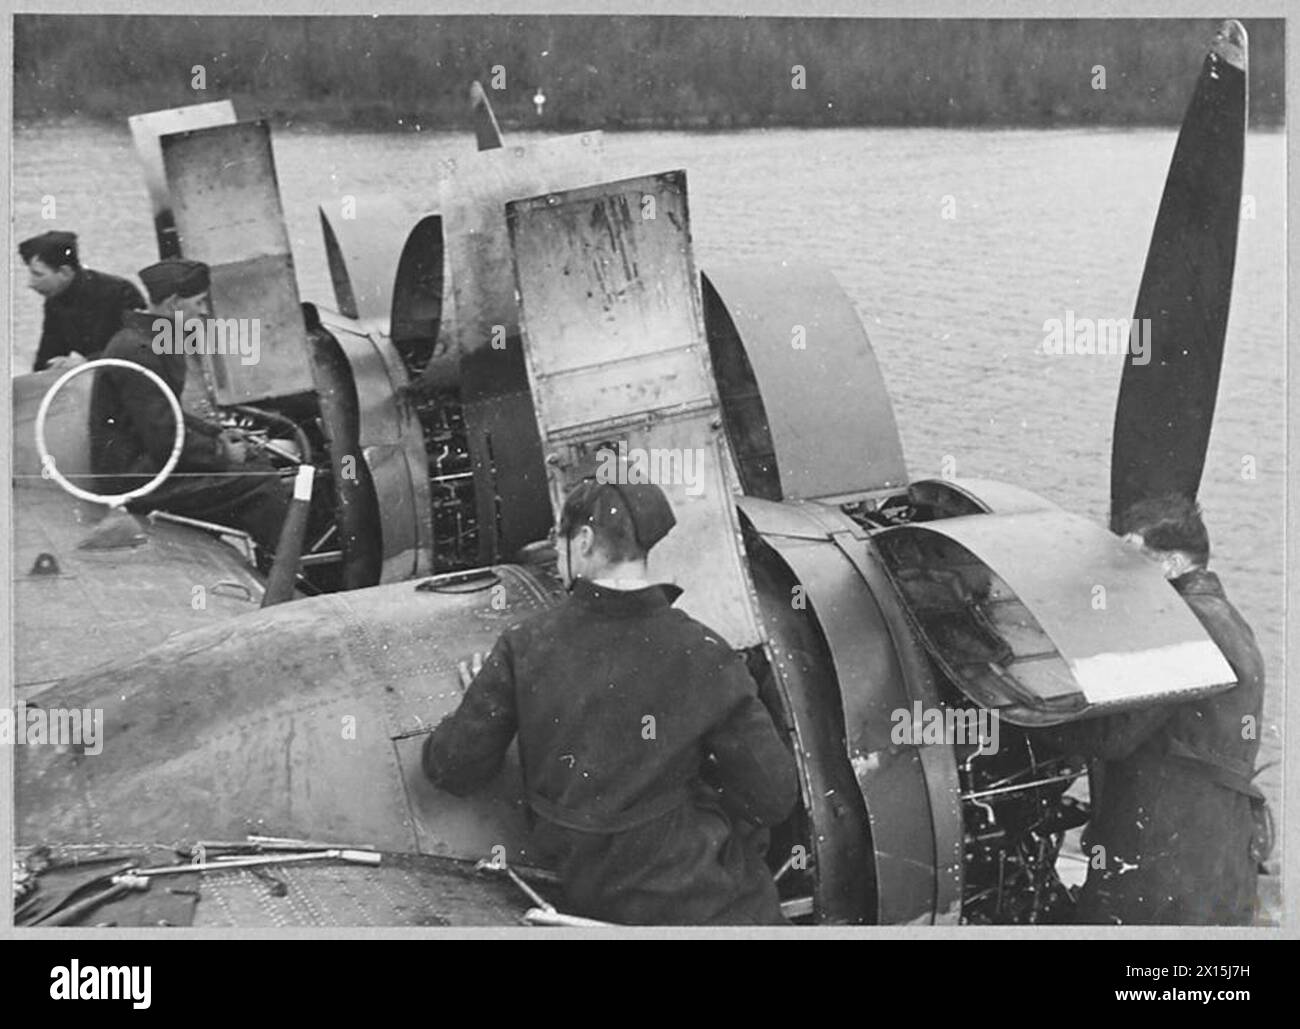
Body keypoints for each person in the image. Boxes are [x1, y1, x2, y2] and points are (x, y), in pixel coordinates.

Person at [423, 480, 799, 925]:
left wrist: (477, 703)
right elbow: (773, 798)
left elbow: (451, 767)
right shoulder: (704, 651)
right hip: (700, 902)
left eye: (557, 542)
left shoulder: (524, 645)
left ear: (582, 542)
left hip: (586, 890)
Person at [1040, 493, 1265, 925]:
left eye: (1130, 558)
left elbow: (1114, 737)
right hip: (1211, 845)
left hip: (1163, 852)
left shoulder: (1184, 626)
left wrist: (1023, 721)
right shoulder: (1226, 617)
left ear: (1173, 565)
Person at [88, 257, 293, 567]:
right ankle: (287, 572)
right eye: (198, 303)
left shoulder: (149, 337)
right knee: (260, 482)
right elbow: (164, 439)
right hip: (136, 481)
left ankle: (271, 559)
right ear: (173, 304)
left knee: (253, 463)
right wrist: (221, 454)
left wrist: (216, 435)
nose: (204, 311)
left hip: (146, 466)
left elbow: (166, 416)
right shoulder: (140, 351)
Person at [19, 230, 145, 372]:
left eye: (38, 274)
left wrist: (88, 363)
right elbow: (47, 357)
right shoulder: (55, 301)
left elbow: (140, 349)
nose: (30, 283)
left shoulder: (120, 292)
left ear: (65, 272)